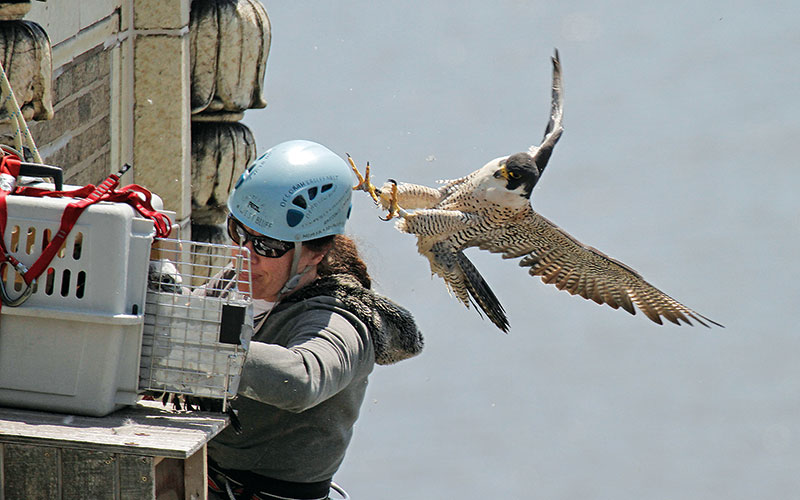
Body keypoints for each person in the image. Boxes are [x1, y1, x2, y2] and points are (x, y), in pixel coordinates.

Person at [206, 140, 424, 500]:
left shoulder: (342, 320)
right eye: (238, 231)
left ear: (315, 251)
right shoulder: (236, 282)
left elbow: (300, 380)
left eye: (268, 246)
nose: (245, 254)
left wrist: (201, 346)